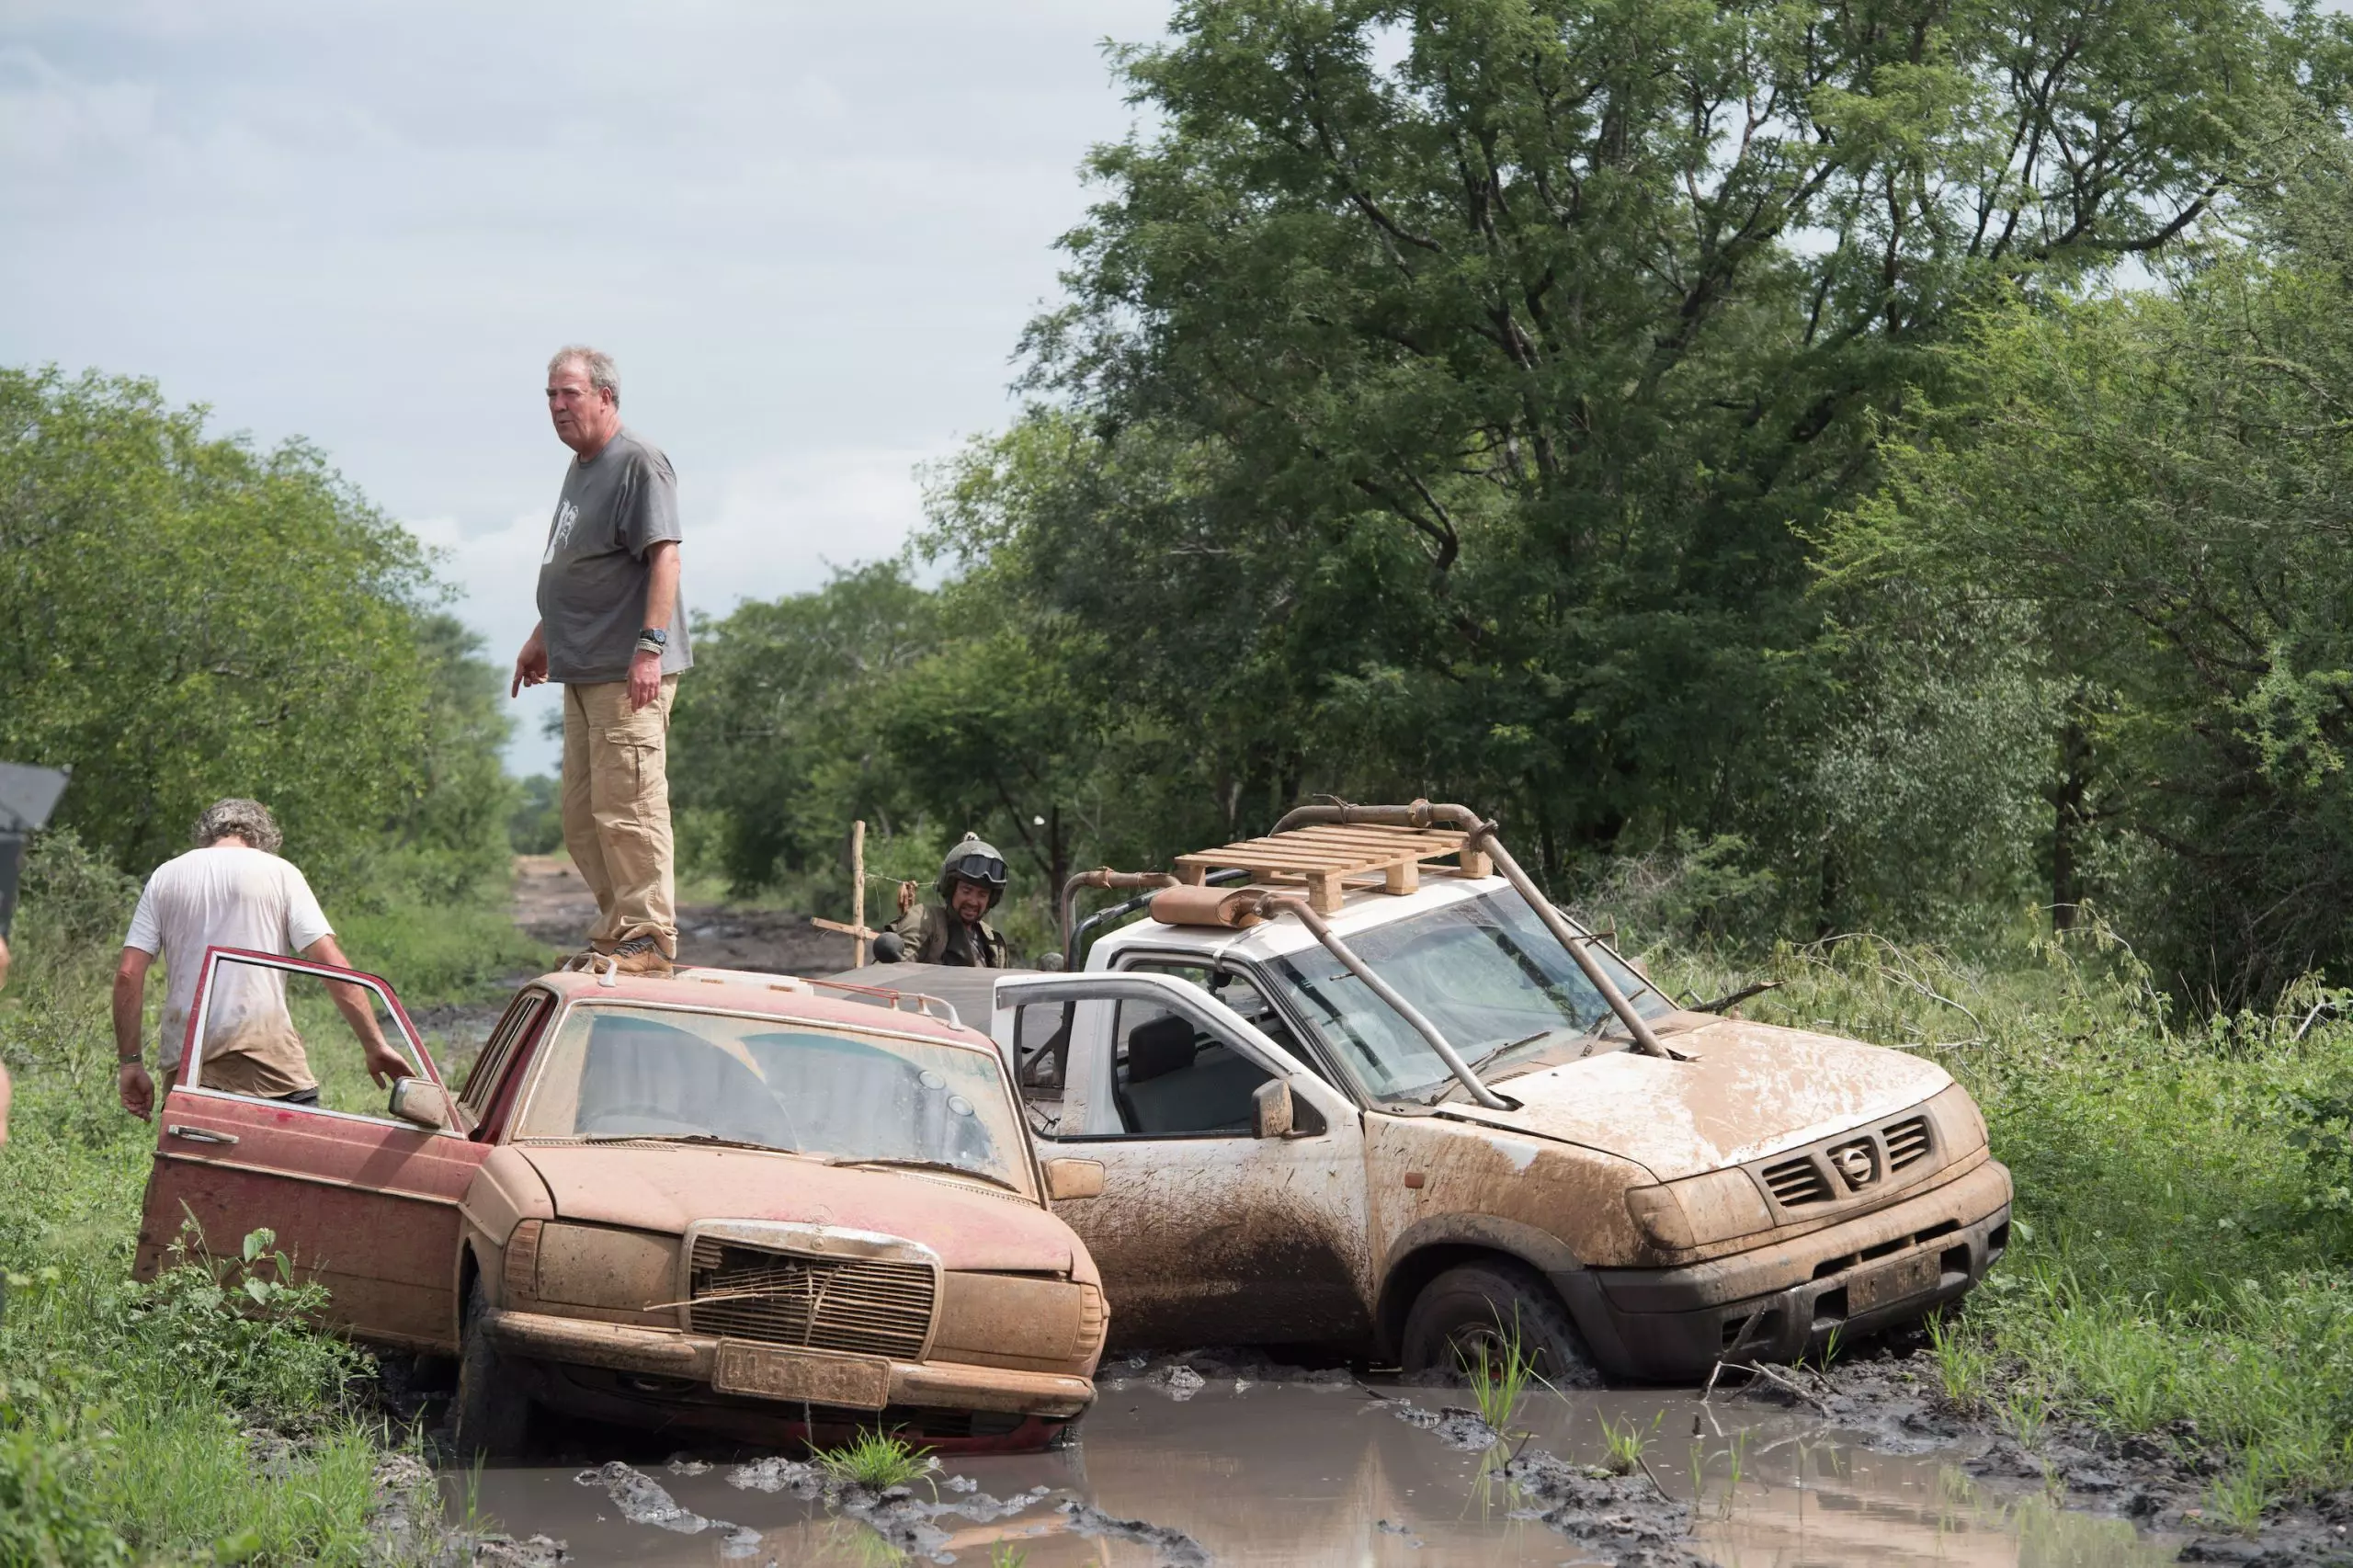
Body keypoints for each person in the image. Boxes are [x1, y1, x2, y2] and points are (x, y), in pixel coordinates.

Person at [510, 346, 691, 979]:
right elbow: (581, 566)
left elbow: (664, 557)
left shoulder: (638, 463)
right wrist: (543, 633)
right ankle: (619, 934)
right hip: (581, 666)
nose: (558, 407)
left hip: (626, 670)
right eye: (551, 396)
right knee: (584, 817)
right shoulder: (580, 468)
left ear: (606, 398)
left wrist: (649, 647)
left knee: (631, 807)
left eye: (570, 394)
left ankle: (650, 938)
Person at [115, 800, 410, 1119]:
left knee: (191, 1160)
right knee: (295, 1158)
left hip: (189, 1062)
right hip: (266, 1059)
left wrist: (131, 1063)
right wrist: (374, 1044)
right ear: (261, 837)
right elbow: (331, 964)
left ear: (206, 834)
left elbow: (128, 974)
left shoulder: (165, 876)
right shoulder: (280, 872)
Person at [891, 835, 1013, 967]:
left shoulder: (992, 943)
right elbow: (894, 971)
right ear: (951, 888)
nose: (973, 901)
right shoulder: (924, 921)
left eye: (982, 895)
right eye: (966, 891)